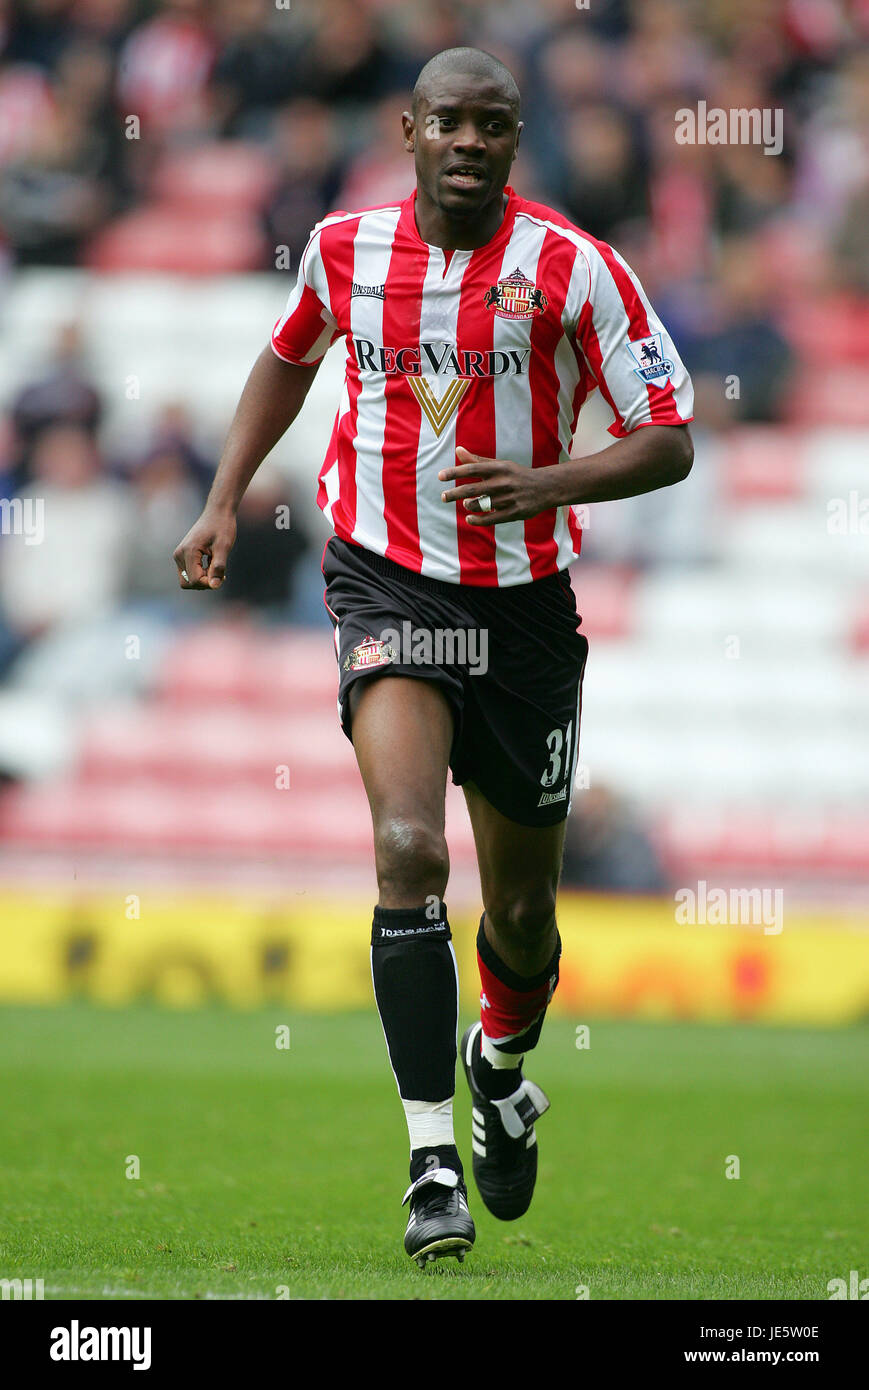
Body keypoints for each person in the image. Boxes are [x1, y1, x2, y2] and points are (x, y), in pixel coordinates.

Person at [173, 46, 694, 1269]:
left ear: (515, 139)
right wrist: (222, 497)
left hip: (522, 610)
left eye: (491, 124)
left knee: (518, 912)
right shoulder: (344, 250)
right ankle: (426, 1160)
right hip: (384, 578)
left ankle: (498, 1066)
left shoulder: (574, 269)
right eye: (446, 120)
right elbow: (288, 356)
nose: (467, 140)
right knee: (408, 848)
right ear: (407, 130)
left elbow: (669, 436)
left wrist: (547, 482)